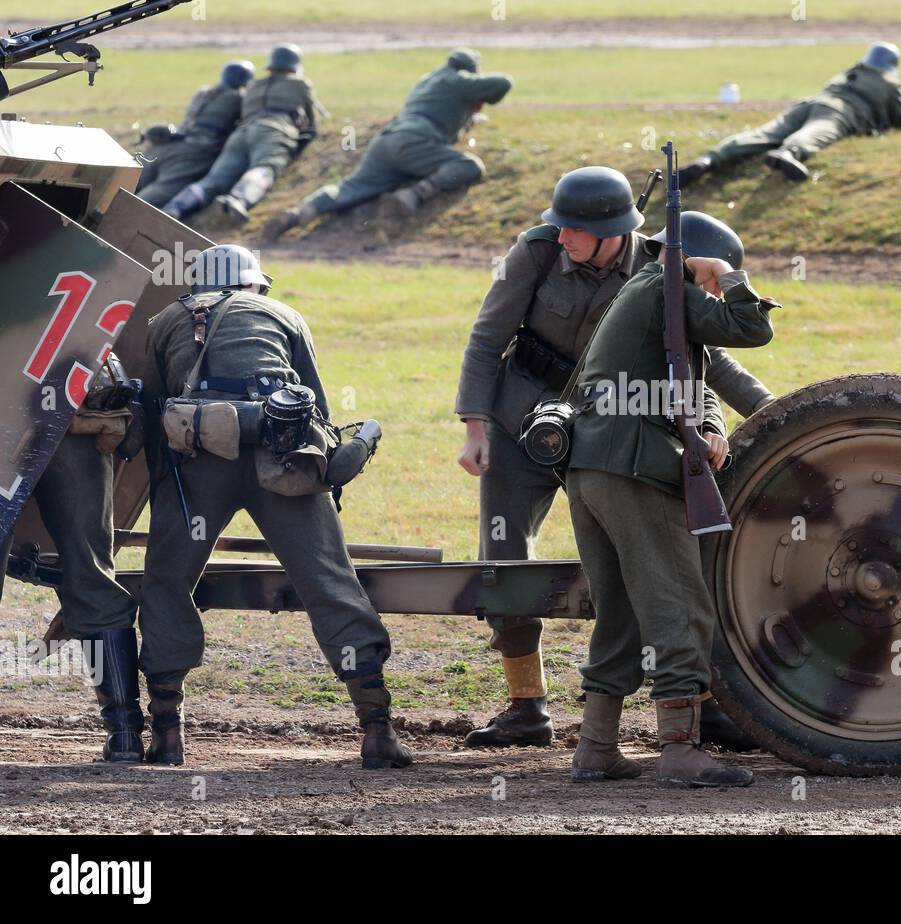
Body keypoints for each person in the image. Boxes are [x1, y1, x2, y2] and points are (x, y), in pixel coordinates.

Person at [454, 167, 774, 751]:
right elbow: (486, 337)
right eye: (561, 226)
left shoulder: (657, 267)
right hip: (523, 421)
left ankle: (694, 707)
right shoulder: (537, 252)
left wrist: (774, 411)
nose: (564, 236)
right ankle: (526, 704)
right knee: (501, 560)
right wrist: (476, 428)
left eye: (577, 228)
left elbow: (703, 362)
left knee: (648, 575)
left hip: (606, 427)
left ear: (616, 231)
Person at [136, 243, 412, 769]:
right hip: (281, 460)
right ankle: (377, 730)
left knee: (168, 584)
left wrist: (166, 489)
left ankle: (166, 734)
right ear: (254, 283)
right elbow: (319, 406)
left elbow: (153, 412)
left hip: (195, 465)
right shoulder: (282, 313)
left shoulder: (166, 320)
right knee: (330, 583)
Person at [565, 210, 776, 787]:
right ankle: (681, 750)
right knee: (681, 603)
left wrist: (709, 424)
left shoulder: (647, 291)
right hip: (632, 471)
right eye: (711, 273)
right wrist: (728, 277)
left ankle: (595, 747)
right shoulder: (666, 288)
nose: (713, 286)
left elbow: (688, 379)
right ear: (696, 260)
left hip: (593, 469)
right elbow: (752, 329)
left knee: (624, 612)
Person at [0, 360, 144, 763]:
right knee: (92, 571)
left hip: (15, 408)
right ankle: (125, 734)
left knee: (91, 570)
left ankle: (126, 731)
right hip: (75, 403)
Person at [264, 49, 512, 240]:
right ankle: (413, 194)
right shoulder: (458, 80)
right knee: (469, 165)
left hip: (386, 141)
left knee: (349, 188)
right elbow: (503, 83)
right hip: (417, 141)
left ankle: (300, 213)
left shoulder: (426, 82)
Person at [678, 41, 901, 186]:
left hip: (810, 102)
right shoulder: (889, 83)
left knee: (765, 132)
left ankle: (709, 160)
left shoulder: (851, 71)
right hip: (840, 110)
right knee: (815, 133)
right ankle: (788, 153)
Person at [162, 45, 321, 224]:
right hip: (273, 130)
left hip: (240, 134)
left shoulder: (253, 86)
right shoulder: (300, 84)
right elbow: (313, 125)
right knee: (264, 167)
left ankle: (175, 207)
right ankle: (238, 199)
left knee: (214, 179)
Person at [134, 60, 255, 208]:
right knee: (144, 202)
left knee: (128, 186)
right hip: (193, 155)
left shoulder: (203, 92)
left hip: (165, 146)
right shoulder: (239, 98)